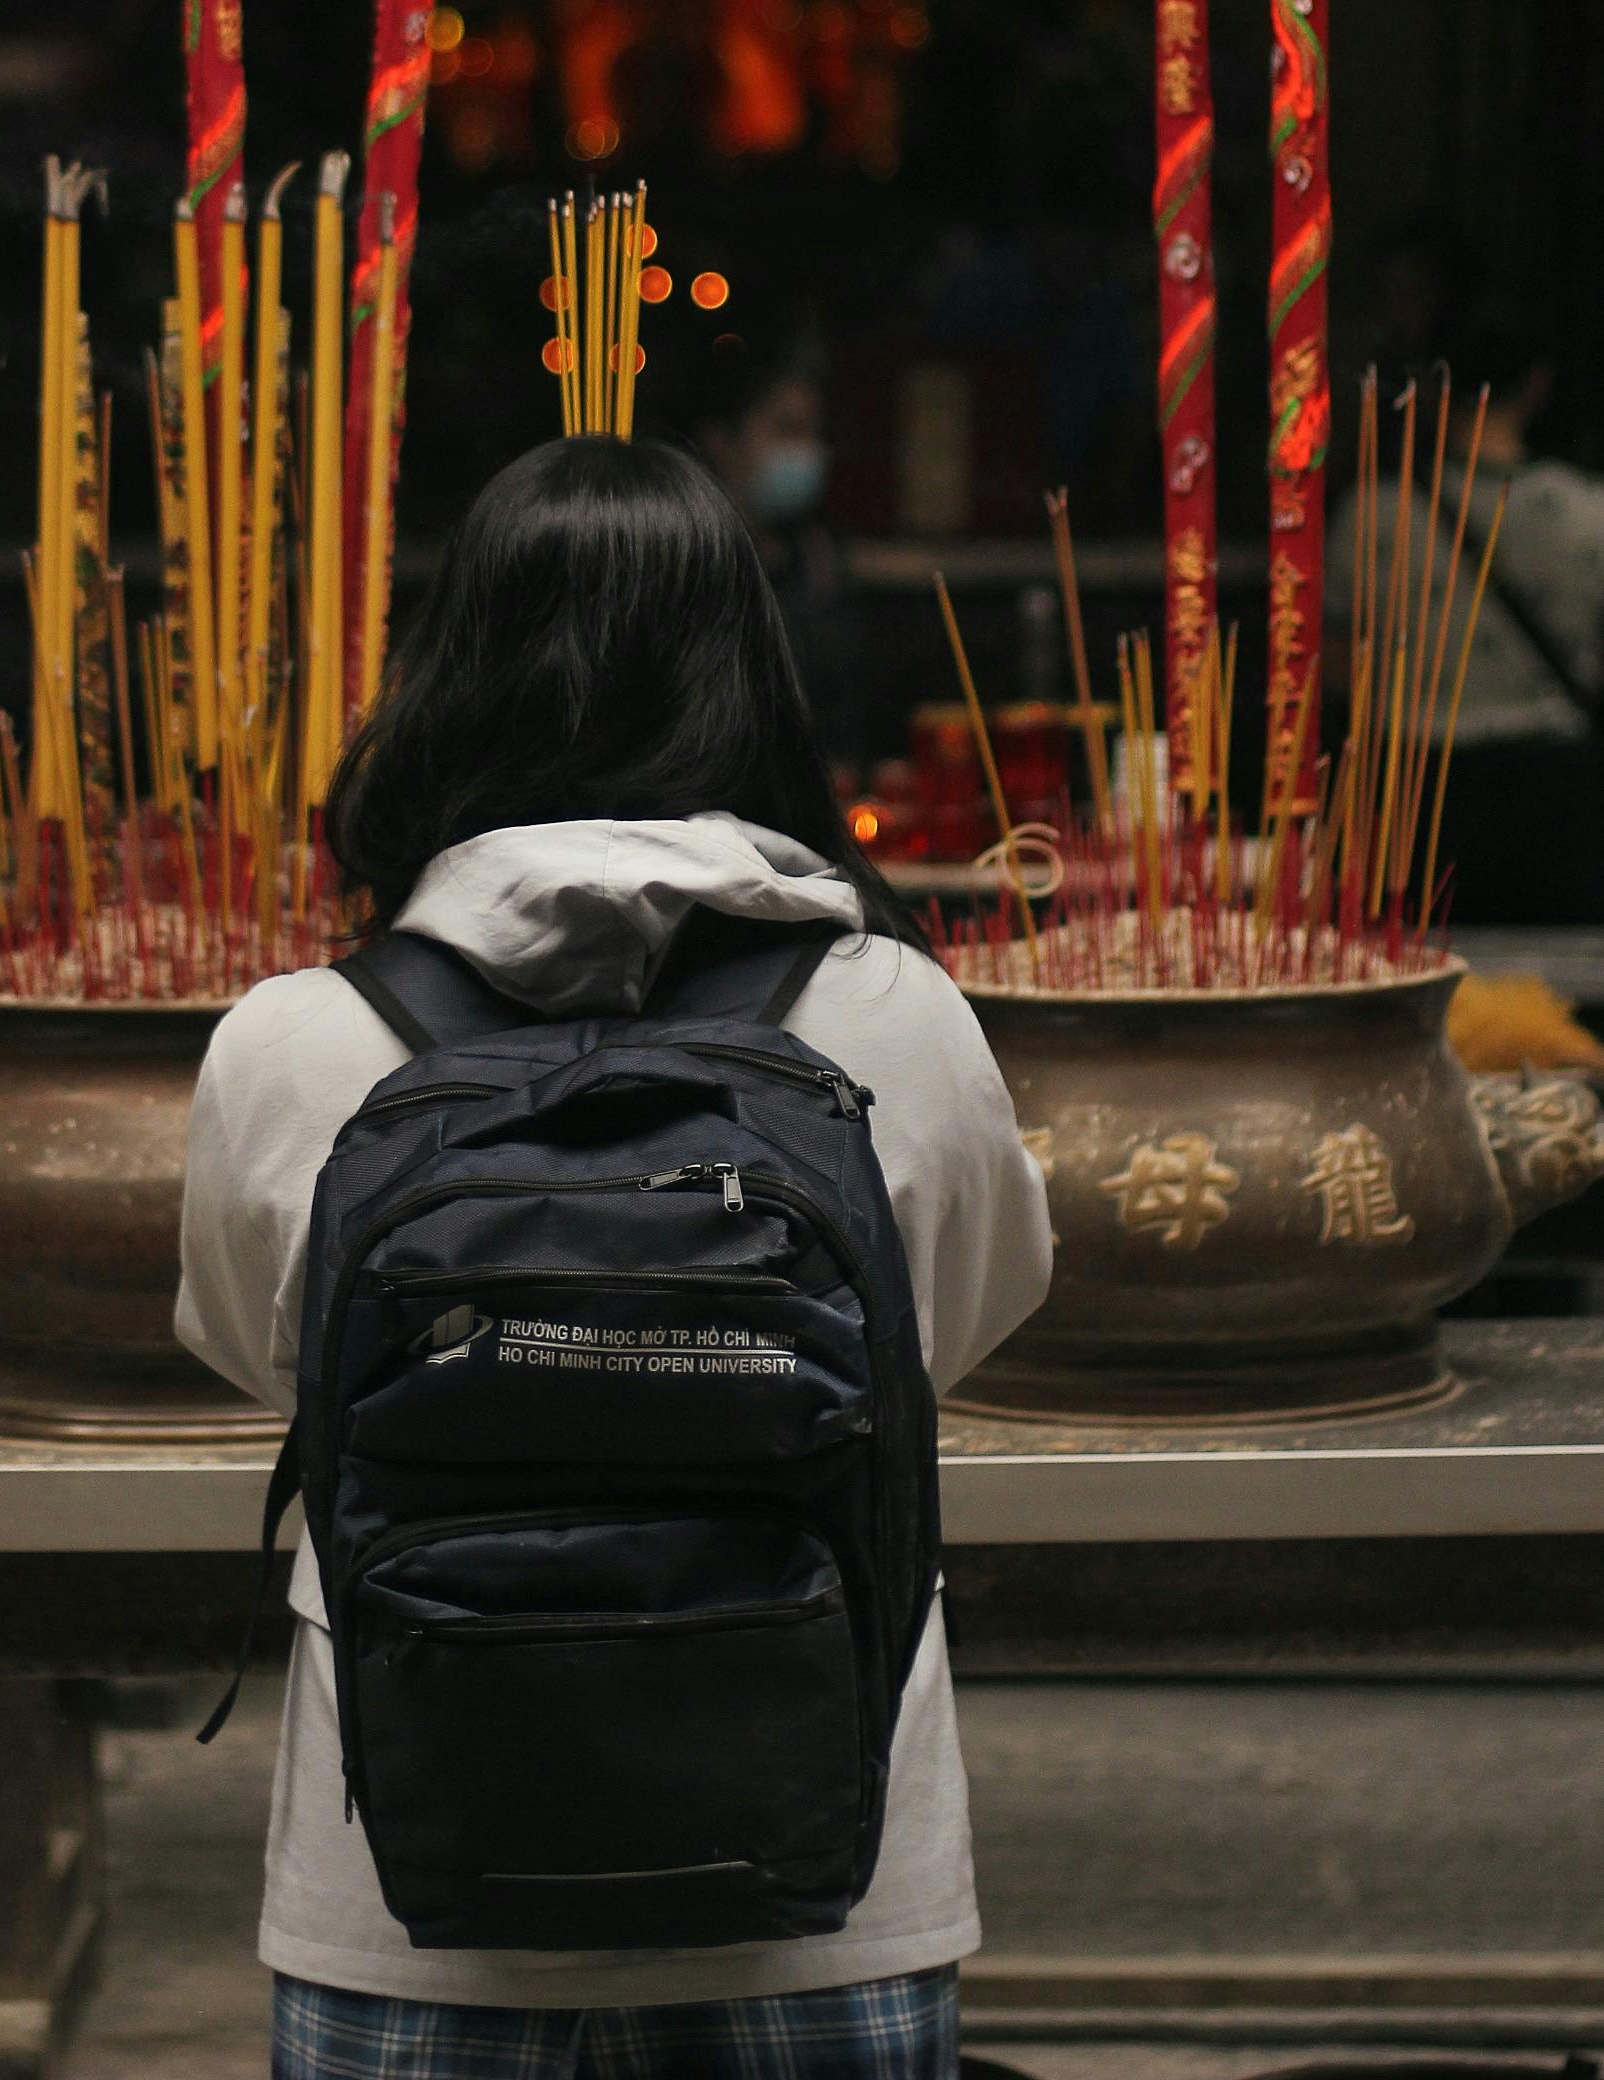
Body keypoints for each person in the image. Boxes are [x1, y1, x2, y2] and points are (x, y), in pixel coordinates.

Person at [176, 432, 1054, 2079]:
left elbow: (258, 1351)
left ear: (442, 672)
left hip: (400, 1882)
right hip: (824, 1864)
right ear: (750, 671)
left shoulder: (289, 1039)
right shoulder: (892, 1013)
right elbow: (961, 1321)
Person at [1326, 316, 1604, 927]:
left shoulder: (1372, 513)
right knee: (1566, 982)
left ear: (1430, 389)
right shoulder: (1597, 509)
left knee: (1418, 972)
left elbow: (1341, 673)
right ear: (1536, 385)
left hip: (1417, 785)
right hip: (1554, 780)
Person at [694, 337, 865, 766]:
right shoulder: (692, 565)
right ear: (721, 440)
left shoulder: (822, 562)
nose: (804, 452)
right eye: (786, 430)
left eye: (812, 434)